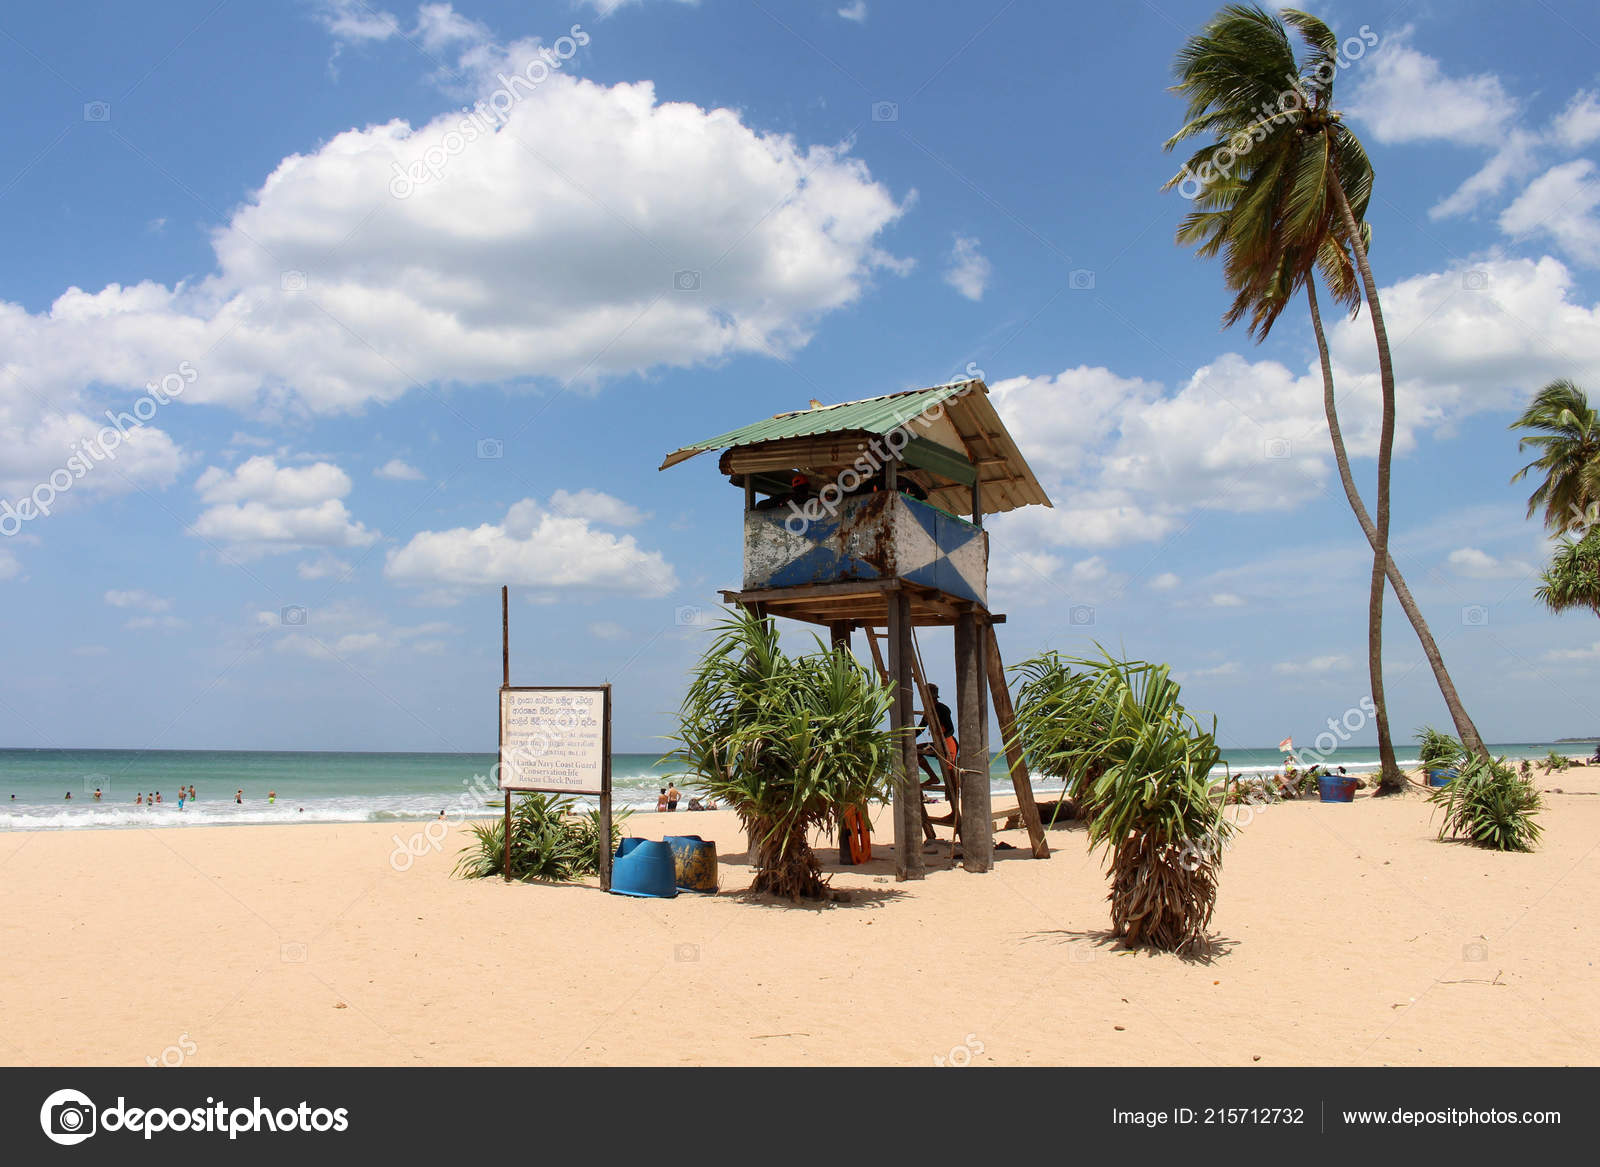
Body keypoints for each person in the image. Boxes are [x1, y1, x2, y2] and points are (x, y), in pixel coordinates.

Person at [916, 683, 957, 783]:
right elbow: (921, 728)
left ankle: (953, 794)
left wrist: (941, 740)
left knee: (950, 778)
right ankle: (933, 777)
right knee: (915, 750)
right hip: (938, 744)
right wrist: (907, 737)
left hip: (948, 744)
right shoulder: (929, 710)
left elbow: (951, 730)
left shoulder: (942, 709)